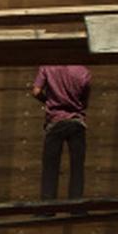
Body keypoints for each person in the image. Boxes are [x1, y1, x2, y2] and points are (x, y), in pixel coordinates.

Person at [31, 65, 91, 200]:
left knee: (50, 167)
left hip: (55, 121)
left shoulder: (47, 67)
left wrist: (48, 101)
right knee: (77, 168)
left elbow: (36, 91)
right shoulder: (83, 71)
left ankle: (47, 208)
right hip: (76, 122)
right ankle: (76, 206)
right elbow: (85, 101)